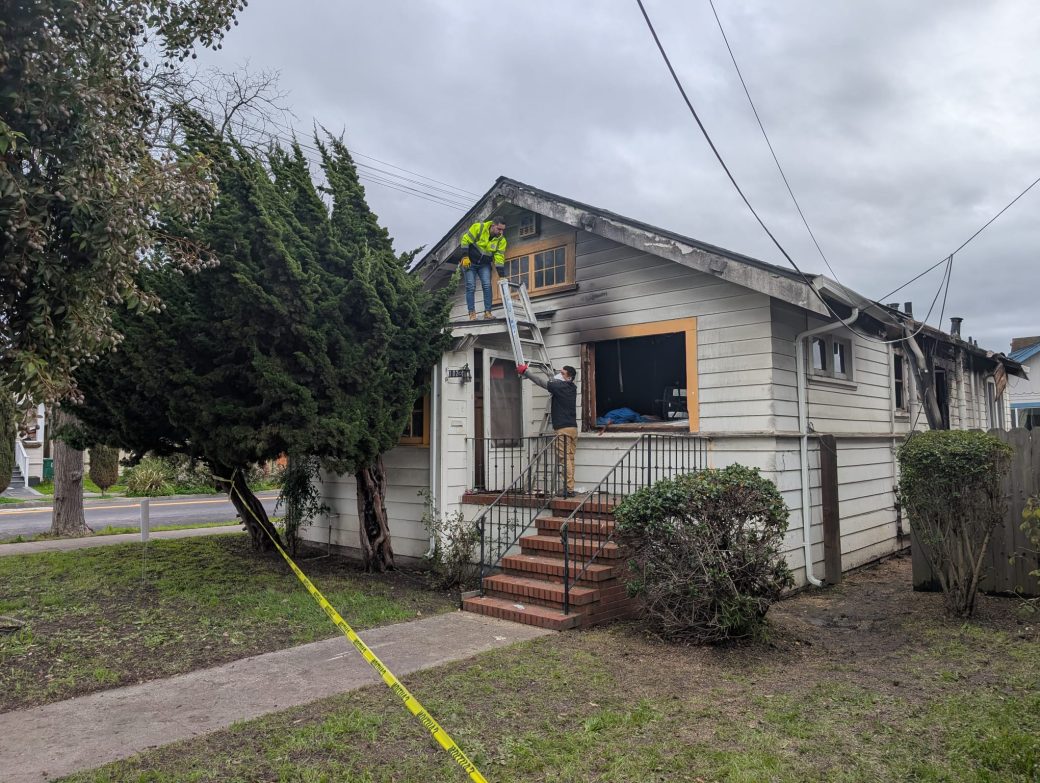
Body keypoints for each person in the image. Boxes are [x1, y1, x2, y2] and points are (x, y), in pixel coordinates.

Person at [517, 363, 578, 497]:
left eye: (562, 373)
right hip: (573, 428)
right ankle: (570, 487)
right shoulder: (572, 387)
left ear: (569, 377)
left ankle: (569, 490)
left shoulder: (559, 386)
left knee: (564, 459)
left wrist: (526, 371)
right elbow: (554, 381)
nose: (559, 375)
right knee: (570, 459)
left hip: (563, 429)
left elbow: (541, 382)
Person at [459, 215, 507, 320]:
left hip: (484, 265)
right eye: (499, 229)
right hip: (470, 262)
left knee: (487, 285)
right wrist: (465, 257)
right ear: (493, 225)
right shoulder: (478, 228)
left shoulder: (501, 240)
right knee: (470, 286)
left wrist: (502, 275)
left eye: (503, 230)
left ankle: (488, 313)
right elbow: (465, 240)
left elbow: (499, 258)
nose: (501, 232)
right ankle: (472, 313)